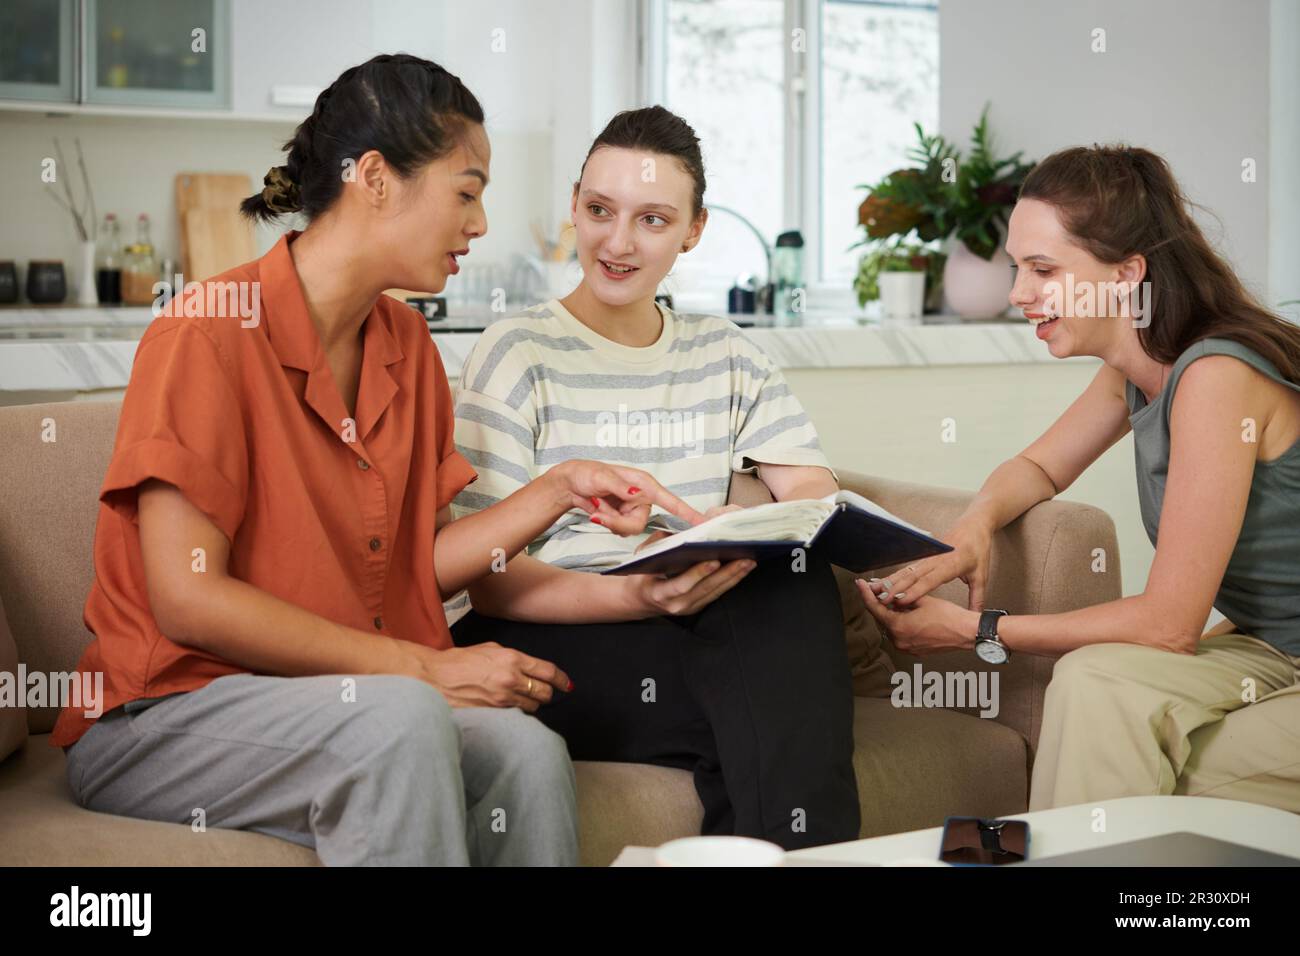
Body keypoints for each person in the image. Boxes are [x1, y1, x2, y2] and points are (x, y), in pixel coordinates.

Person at [49, 55, 700, 866]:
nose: (481, 222)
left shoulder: (408, 348)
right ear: (375, 179)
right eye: (467, 191)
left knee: (528, 754)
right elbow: (188, 599)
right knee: (402, 719)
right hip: (167, 716)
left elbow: (418, 563)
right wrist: (422, 670)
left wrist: (559, 489)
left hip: (339, 702)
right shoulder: (205, 336)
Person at [447, 106, 860, 850]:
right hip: (557, 629)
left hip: (691, 624)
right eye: (599, 211)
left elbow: (809, 496)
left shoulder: (727, 352)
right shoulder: (516, 350)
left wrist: (743, 531)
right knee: (768, 703)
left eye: (653, 220)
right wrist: (636, 596)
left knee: (789, 592)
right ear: (573, 206)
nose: (618, 242)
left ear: (693, 230)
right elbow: (491, 577)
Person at [855, 145, 1300, 811]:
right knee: (1092, 682)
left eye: (1043, 269)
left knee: (1158, 773)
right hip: (1270, 649)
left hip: (1275, 656)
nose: (1018, 294)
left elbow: (1170, 624)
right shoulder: (1141, 367)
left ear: (1126, 273)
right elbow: (1038, 467)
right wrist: (972, 528)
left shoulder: (1215, 380)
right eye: (1017, 268)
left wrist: (976, 631)